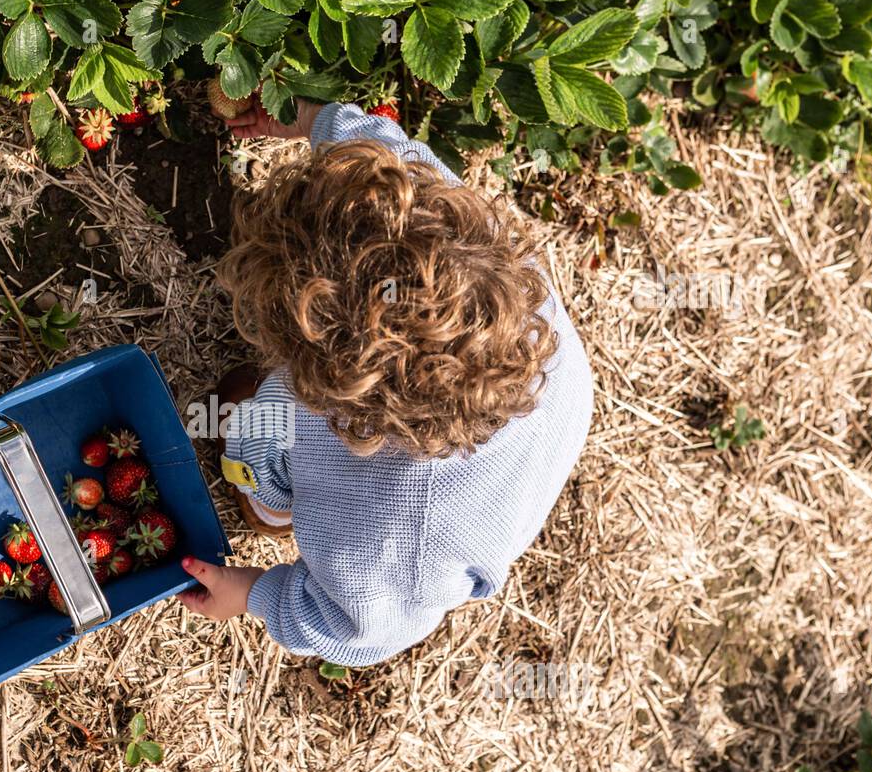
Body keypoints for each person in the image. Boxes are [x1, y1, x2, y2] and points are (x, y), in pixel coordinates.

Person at [177, 100, 593, 668]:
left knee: (252, 415)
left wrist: (253, 592)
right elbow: (388, 157)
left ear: (340, 400)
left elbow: (355, 629)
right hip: (537, 446)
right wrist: (310, 118)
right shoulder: (475, 255)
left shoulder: (389, 537)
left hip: (457, 515)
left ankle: (269, 510)